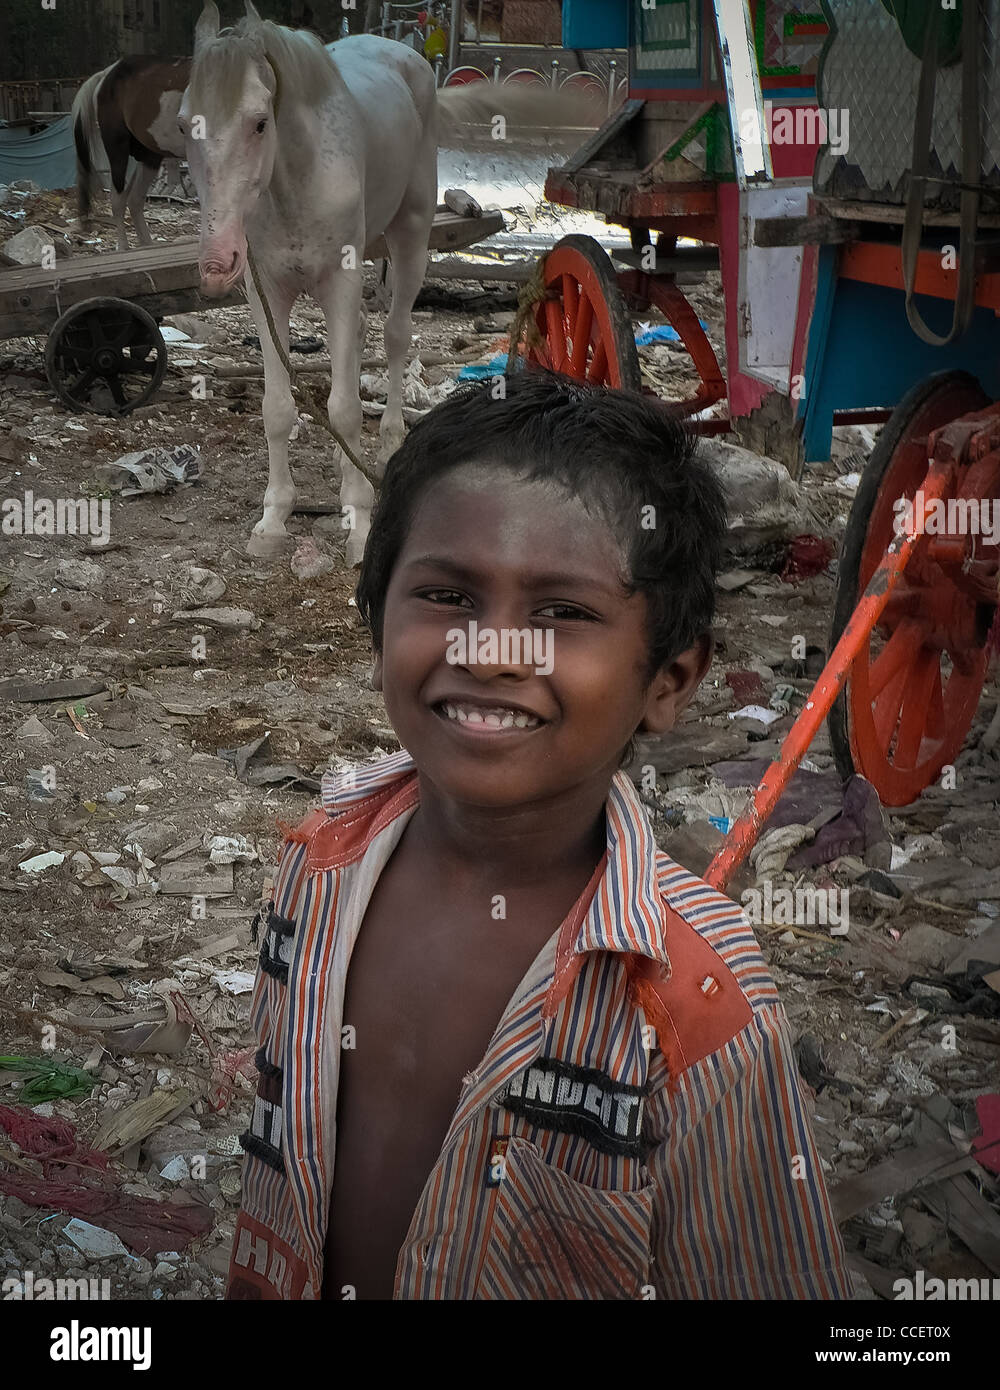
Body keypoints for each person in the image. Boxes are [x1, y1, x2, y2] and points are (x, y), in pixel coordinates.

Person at [227, 369, 852, 1301]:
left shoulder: (700, 1004)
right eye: (446, 595)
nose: (491, 652)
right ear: (376, 621)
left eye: (563, 613)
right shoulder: (319, 864)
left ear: (669, 681)